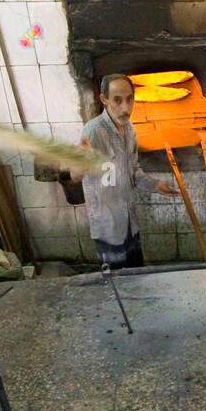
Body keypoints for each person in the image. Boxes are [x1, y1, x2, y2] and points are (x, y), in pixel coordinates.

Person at [77, 74, 177, 268]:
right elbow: (81, 173)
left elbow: (133, 171)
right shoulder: (93, 132)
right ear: (104, 99)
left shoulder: (129, 129)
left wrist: (155, 185)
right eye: (117, 100)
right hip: (108, 228)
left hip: (130, 223)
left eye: (129, 99)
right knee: (117, 286)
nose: (126, 107)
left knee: (137, 278)